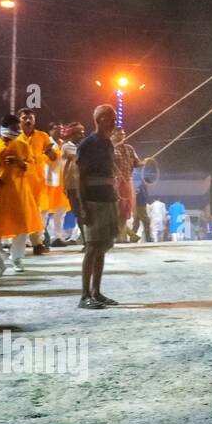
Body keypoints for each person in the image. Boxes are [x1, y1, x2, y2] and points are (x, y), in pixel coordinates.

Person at [75, 105, 123, 308]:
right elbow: (79, 176)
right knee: (92, 247)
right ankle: (85, 296)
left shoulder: (108, 144)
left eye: (114, 119)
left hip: (108, 199)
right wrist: (82, 205)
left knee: (103, 247)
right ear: (99, 120)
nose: (113, 122)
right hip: (93, 201)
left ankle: (97, 291)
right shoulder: (88, 144)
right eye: (109, 119)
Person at [0, 115, 43, 276]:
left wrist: (20, 163)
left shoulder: (22, 146)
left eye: (18, 128)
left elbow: (32, 167)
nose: (17, 131)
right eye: (14, 128)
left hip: (19, 194)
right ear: (5, 127)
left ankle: (16, 259)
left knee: (21, 229)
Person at [17, 108, 59, 257]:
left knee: (37, 214)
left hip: (37, 183)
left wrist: (50, 153)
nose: (28, 121)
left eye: (30, 118)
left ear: (34, 120)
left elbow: (54, 157)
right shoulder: (15, 138)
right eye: (24, 118)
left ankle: (37, 244)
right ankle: (17, 247)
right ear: (19, 121)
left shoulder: (43, 137)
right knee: (20, 214)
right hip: (19, 183)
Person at [110, 127, 143, 242]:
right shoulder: (108, 148)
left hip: (127, 181)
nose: (121, 137)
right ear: (112, 135)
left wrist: (144, 163)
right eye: (118, 135)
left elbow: (136, 162)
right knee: (114, 210)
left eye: (123, 135)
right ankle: (121, 235)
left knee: (125, 209)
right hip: (113, 182)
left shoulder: (129, 148)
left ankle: (122, 236)